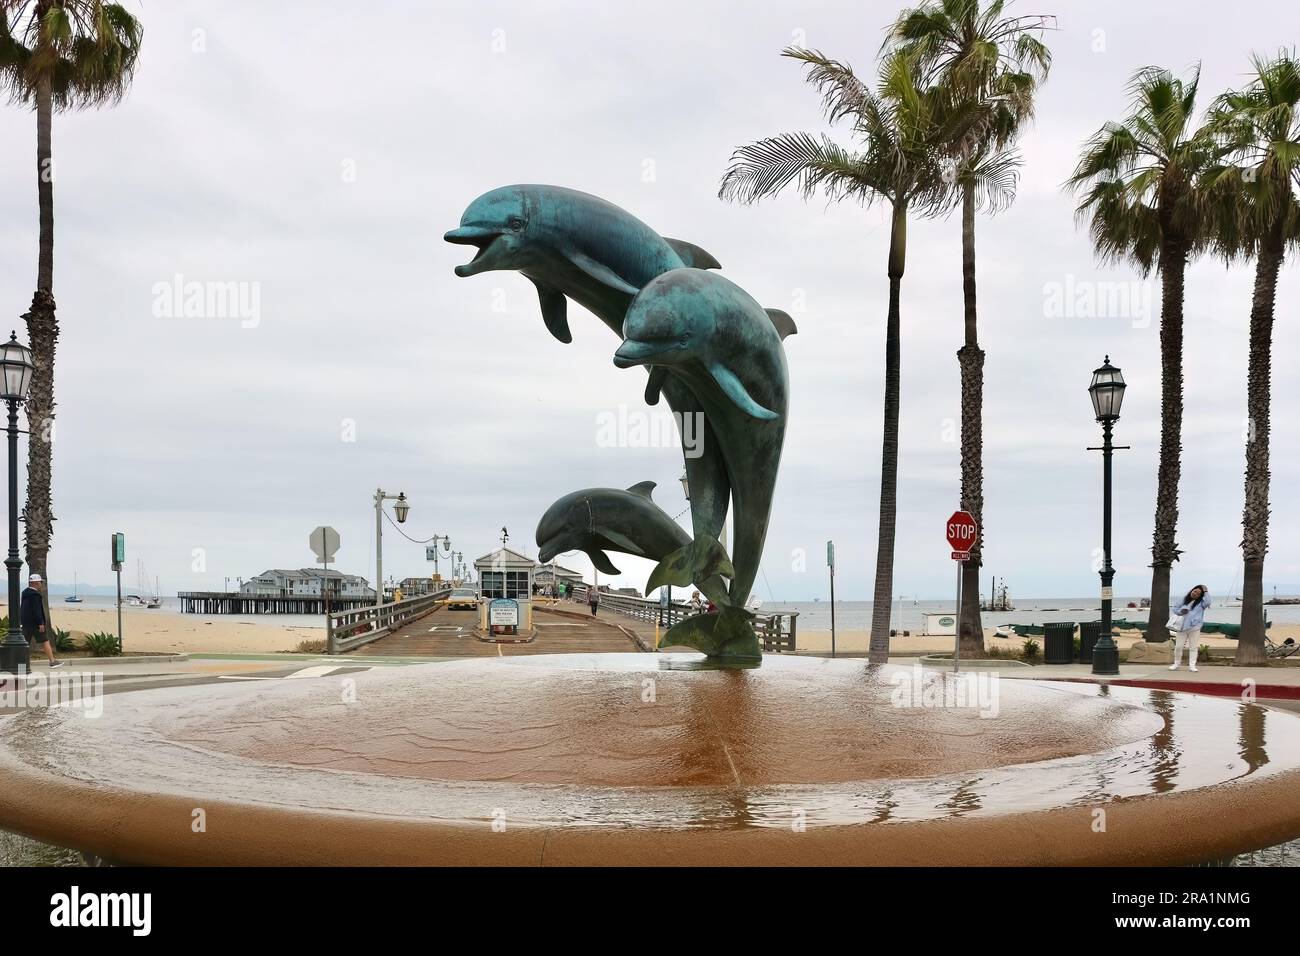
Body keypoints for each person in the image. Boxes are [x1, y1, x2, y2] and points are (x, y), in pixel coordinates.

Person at [21, 574, 61, 668]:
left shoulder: (24, 593)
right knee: (45, 641)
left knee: (24, 645)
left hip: (25, 624)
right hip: (35, 624)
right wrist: (41, 623)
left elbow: (23, 609)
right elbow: (37, 610)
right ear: (34, 582)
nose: (41, 584)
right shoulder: (35, 595)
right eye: (40, 582)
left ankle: (21, 665)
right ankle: (52, 661)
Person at [1169, 584, 1210, 672]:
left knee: (1193, 647)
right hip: (1182, 627)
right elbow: (1175, 609)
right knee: (1178, 647)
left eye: (1198, 593)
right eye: (1195, 591)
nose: (1195, 593)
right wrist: (1182, 610)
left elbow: (1208, 602)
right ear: (1192, 590)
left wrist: (1206, 591)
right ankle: (1176, 663)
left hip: (1195, 627)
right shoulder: (1183, 599)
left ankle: (1192, 666)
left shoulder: (1201, 603)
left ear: (1200, 596)